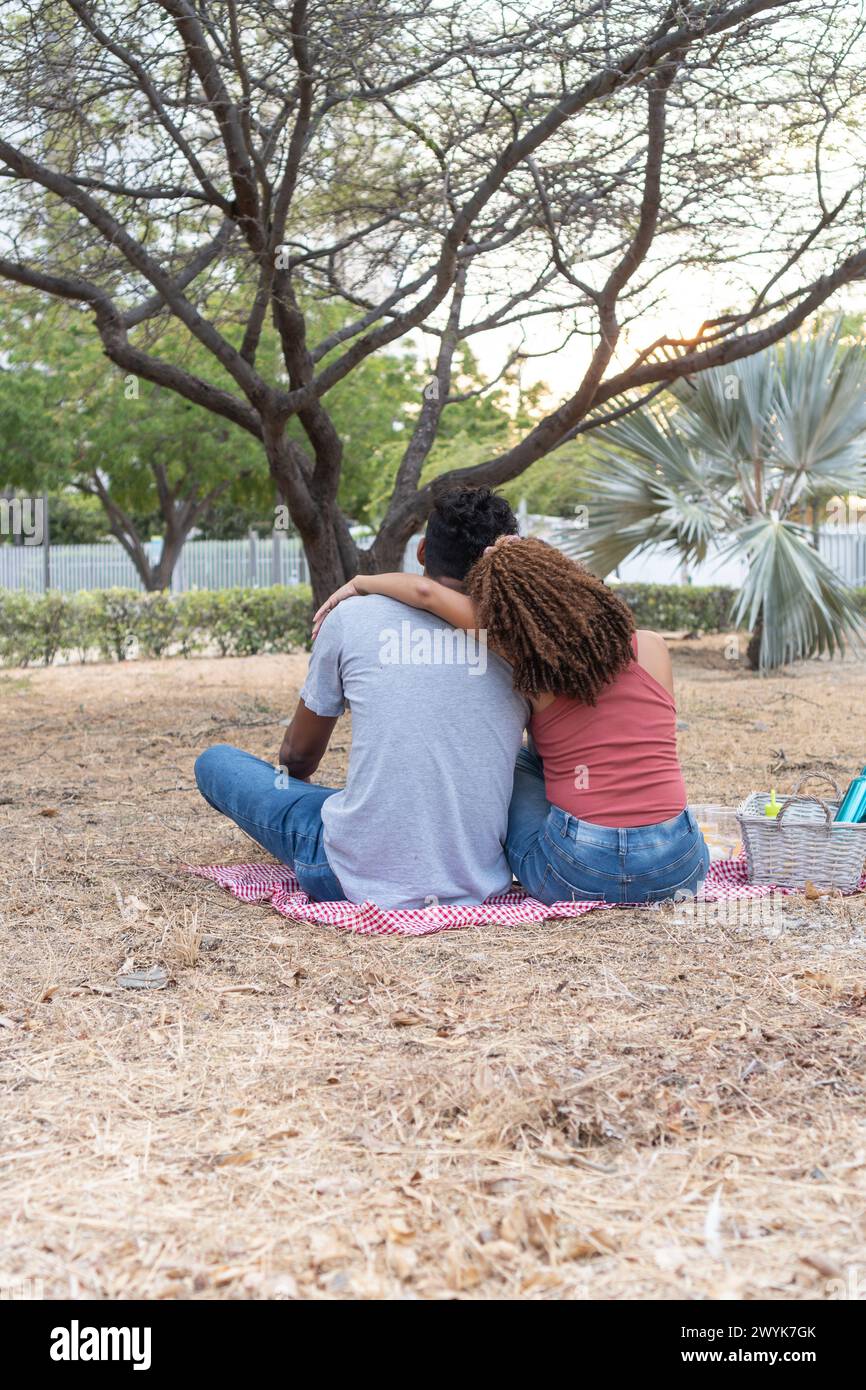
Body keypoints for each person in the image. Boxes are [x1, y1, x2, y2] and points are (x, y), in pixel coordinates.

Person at [314, 535, 709, 906]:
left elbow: (426, 593)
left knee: (510, 759)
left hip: (576, 875)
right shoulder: (654, 647)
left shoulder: (528, 660)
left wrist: (360, 582)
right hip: (678, 867)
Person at [194, 487, 528, 909]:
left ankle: (364, 822)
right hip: (480, 880)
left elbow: (298, 757)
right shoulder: (524, 644)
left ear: (422, 551)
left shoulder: (353, 616)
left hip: (346, 876)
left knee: (216, 762)